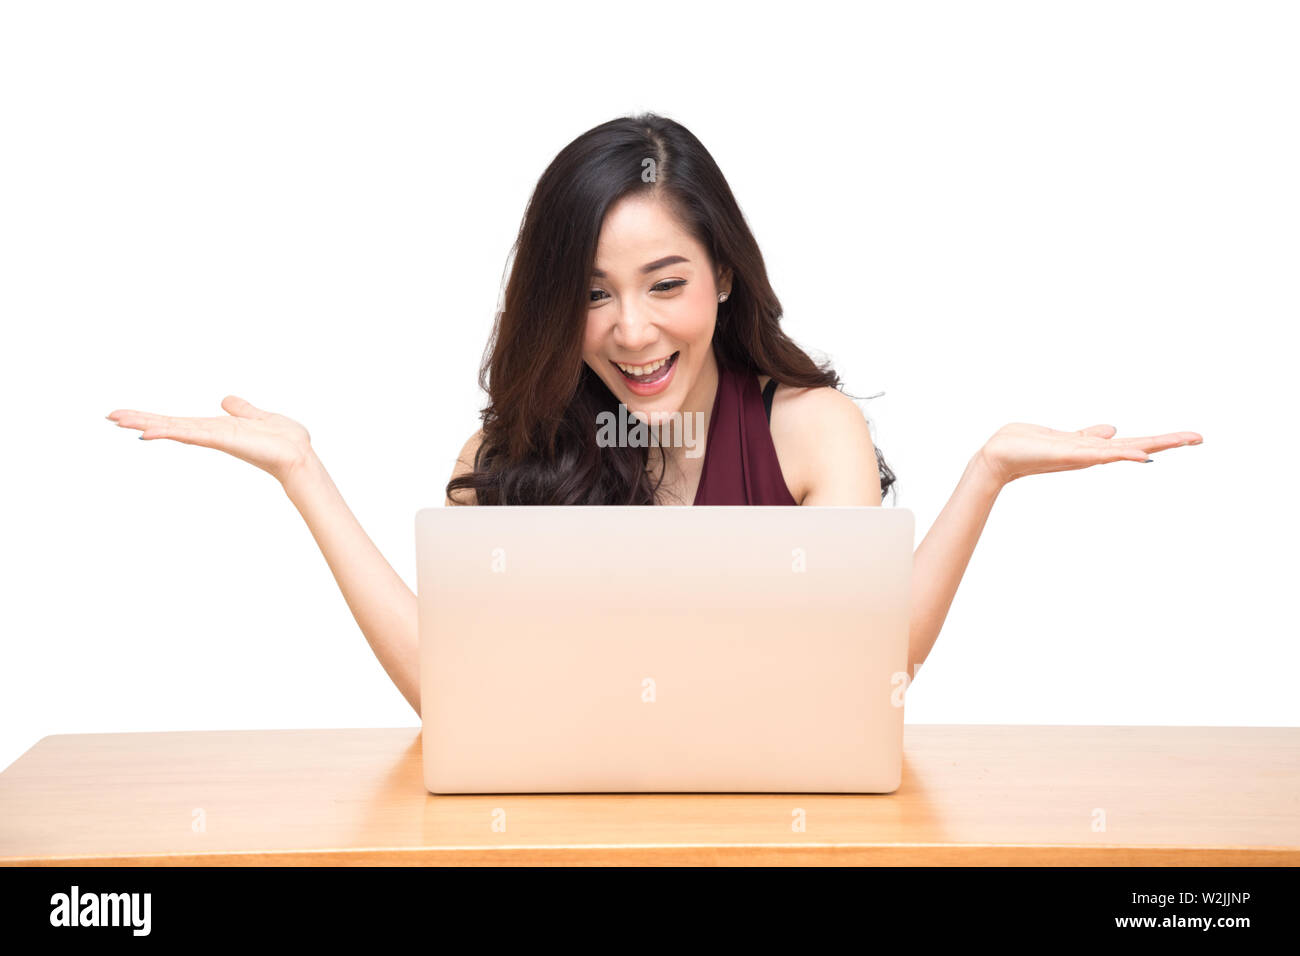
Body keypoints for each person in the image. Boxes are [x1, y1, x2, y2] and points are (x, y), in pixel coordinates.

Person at [105, 113, 1202, 718]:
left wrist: (984, 476)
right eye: (589, 291)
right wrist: (304, 470)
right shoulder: (508, 455)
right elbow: (452, 693)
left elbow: (871, 672)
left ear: (723, 276)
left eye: (664, 282)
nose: (630, 329)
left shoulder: (806, 430)